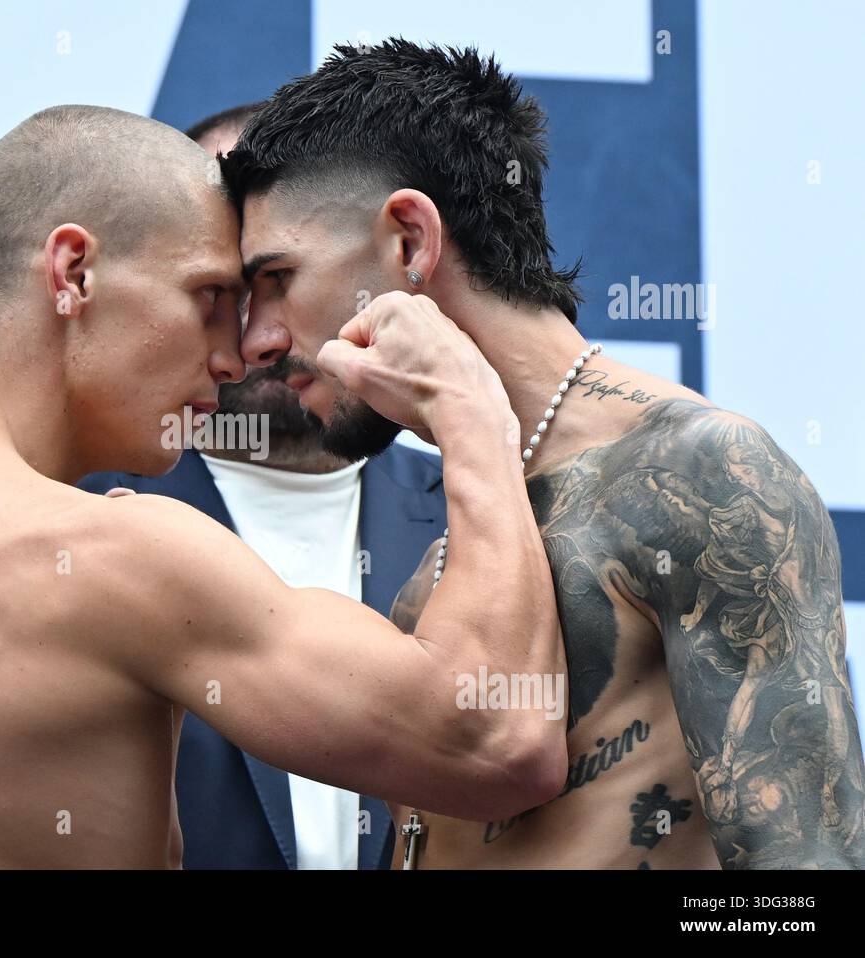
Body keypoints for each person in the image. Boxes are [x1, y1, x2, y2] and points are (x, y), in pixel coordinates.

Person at [0, 104, 566, 868]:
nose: (233, 355)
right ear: (74, 273)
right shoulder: (118, 557)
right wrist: (472, 414)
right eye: (209, 297)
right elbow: (497, 742)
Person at [221, 39, 865, 869]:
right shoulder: (461, 531)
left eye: (275, 280)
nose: (258, 343)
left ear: (411, 240)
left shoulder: (705, 474)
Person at [81, 103, 447, 869]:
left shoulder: (483, 521)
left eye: (281, 275)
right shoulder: (74, 525)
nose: (259, 332)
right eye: (229, 286)